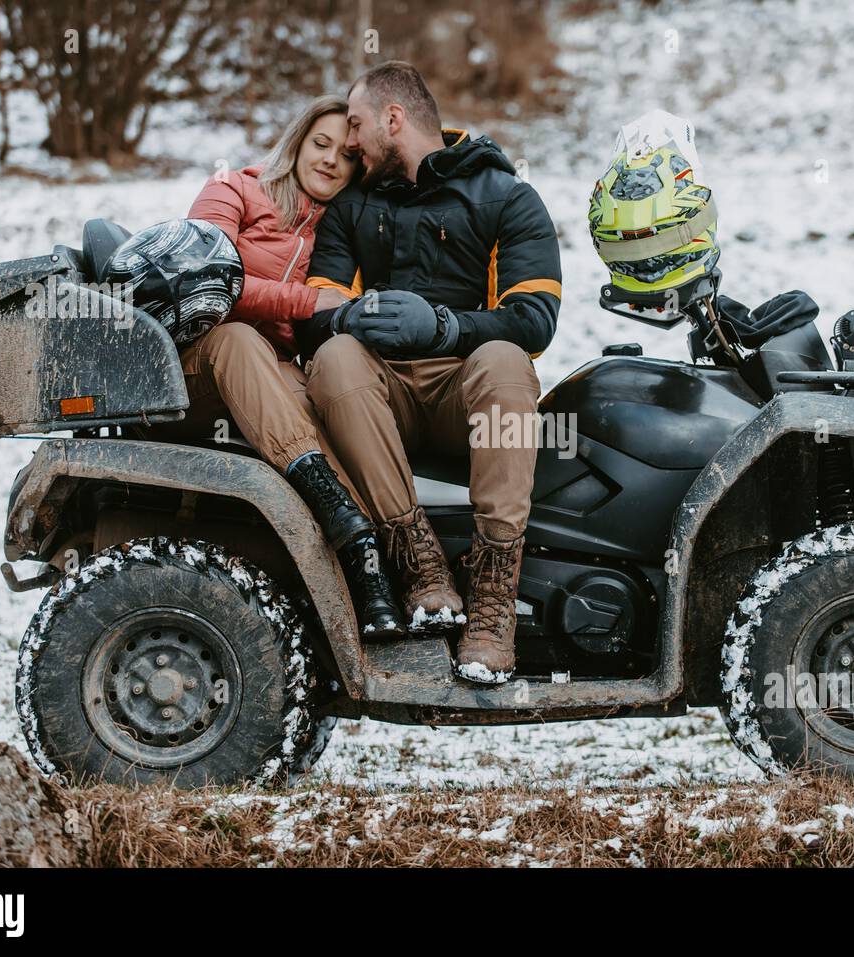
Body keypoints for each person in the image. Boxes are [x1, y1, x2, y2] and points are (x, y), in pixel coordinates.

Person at [298, 61, 562, 684]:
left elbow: (534, 319)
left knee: (505, 360)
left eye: (358, 125)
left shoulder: (506, 196)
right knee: (334, 357)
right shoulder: (352, 207)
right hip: (377, 400)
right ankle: (421, 564)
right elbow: (313, 318)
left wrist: (444, 326)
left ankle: (494, 601)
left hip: (464, 397)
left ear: (395, 120)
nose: (351, 142)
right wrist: (354, 318)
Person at [163, 94, 404, 639]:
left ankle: (368, 563)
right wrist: (305, 303)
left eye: (346, 155)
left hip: (266, 378)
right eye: (319, 144)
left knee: (318, 395)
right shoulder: (235, 188)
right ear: (296, 142)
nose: (329, 161)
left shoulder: (336, 234)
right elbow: (203, 278)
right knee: (238, 340)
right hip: (191, 367)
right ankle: (325, 495)